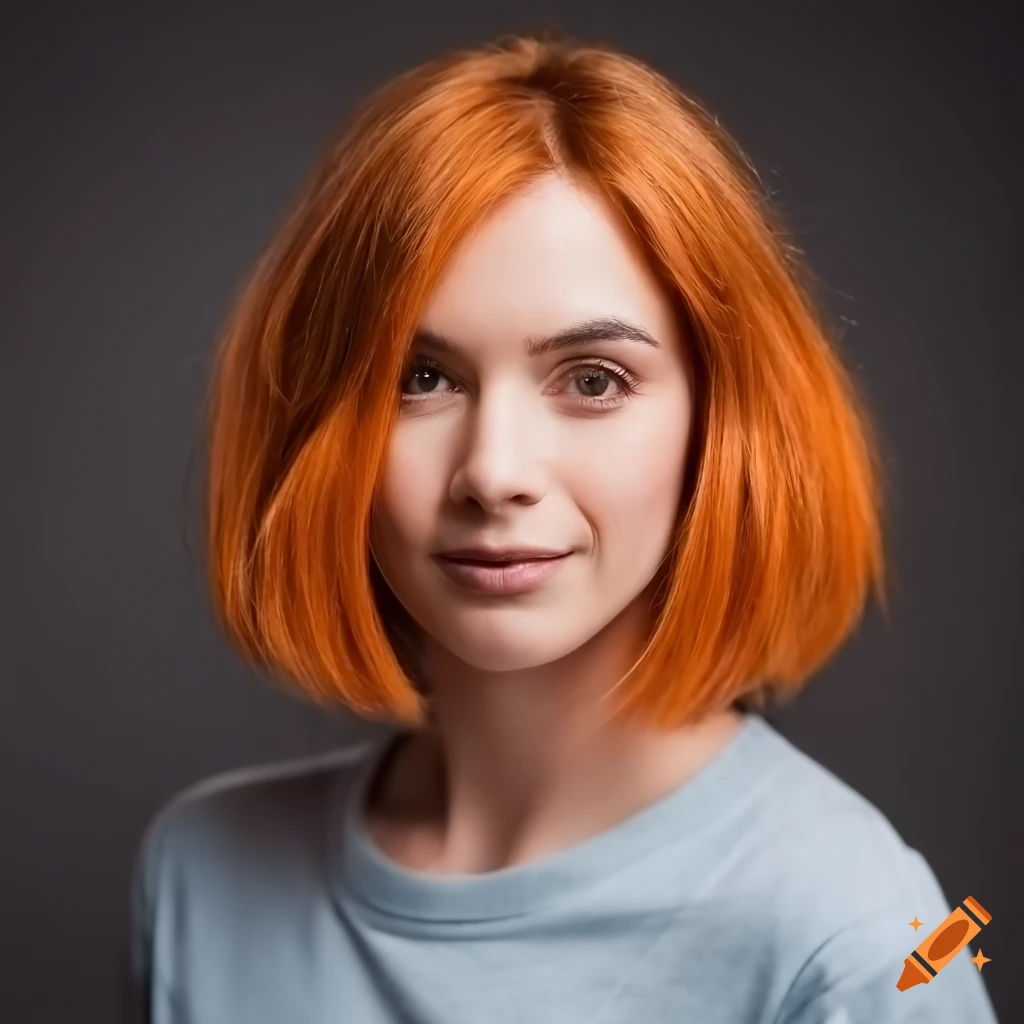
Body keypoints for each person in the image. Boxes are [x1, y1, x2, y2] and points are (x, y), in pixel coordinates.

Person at [123, 29, 999, 1024]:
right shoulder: (201, 878)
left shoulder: (848, 940)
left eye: (592, 379)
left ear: (720, 423)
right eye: (421, 379)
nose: (493, 471)